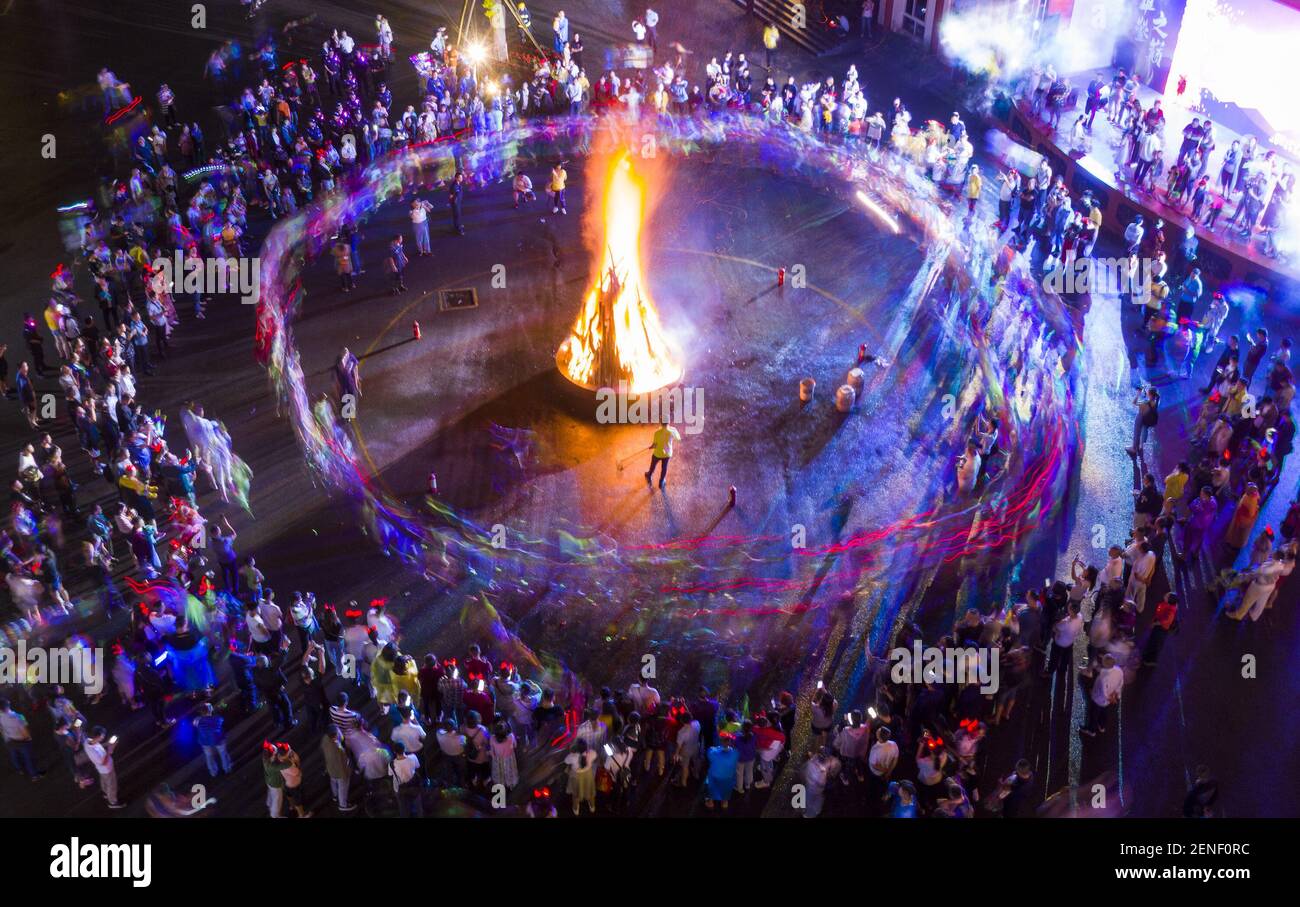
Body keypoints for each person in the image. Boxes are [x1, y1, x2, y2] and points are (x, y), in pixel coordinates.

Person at [1081, 653, 1123, 736]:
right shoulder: (1119, 670)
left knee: (1093, 714)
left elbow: (1103, 691)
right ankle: (1102, 726)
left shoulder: (1103, 676)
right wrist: (1116, 695)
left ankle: (1091, 730)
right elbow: (1120, 683)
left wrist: (1108, 698)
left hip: (1098, 699)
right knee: (1104, 712)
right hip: (1109, 699)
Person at [0, 699, 41, 780]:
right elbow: (24, 730)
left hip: (9, 740)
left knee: (14, 756)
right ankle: (34, 775)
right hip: (22, 740)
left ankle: (20, 770)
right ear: (8, 705)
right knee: (28, 758)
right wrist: (29, 738)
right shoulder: (18, 716)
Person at [84, 726, 124, 807]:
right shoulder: (93, 752)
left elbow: (98, 746)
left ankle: (106, 793)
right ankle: (112, 802)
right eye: (102, 736)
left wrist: (108, 744)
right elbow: (103, 762)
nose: (103, 737)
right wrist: (110, 750)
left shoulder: (88, 741)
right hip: (107, 769)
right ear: (97, 736)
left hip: (102, 770)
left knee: (105, 782)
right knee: (112, 785)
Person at [193, 703, 233, 777]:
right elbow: (221, 720)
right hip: (218, 739)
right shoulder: (217, 718)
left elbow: (195, 723)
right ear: (210, 710)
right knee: (223, 754)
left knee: (209, 757)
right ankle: (227, 768)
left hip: (205, 741)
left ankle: (213, 772)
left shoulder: (197, 720)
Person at [644, 420, 681, 488]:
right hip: (667, 454)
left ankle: (649, 475)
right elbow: (679, 439)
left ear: (661, 423)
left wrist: (651, 446)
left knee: (653, 465)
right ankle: (661, 482)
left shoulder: (657, 433)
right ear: (668, 422)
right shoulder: (673, 430)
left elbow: (655, 445)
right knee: (664, 467)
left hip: (658, 453)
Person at [1142, 594, 1178, 665]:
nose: (1165, 595)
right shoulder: (1166, 604)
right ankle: (1147, 656)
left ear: (1169, 600)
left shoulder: (1171, 610)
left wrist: (1155, 623)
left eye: (1167, 596)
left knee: (1155, 644)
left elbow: (1167, 621)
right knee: (1152, 641)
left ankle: (1150, 661)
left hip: (1161, 629)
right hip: (1158, 624)